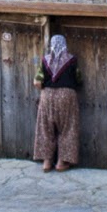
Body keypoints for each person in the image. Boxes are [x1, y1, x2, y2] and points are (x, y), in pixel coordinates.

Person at [33, 34, 80, 172]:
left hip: (47, 95)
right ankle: (61, 163)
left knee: (45, 128)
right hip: (67, 95)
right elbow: (78, 78)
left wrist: (45, 90)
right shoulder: (71, 60)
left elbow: (37, 81)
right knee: (68, 128)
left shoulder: (45, 60)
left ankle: (47, 163)